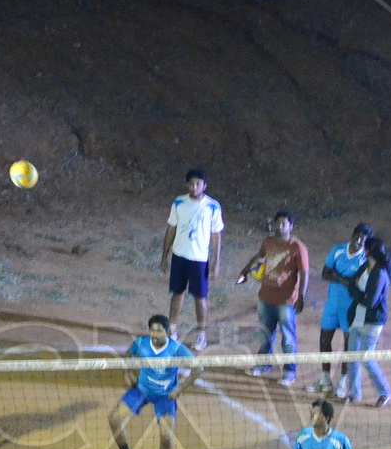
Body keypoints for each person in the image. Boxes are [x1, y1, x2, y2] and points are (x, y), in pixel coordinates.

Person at [107, 314, 201, 449]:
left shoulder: (176, 349)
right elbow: (129, 356)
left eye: (159, 331)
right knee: (114, 418)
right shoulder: (142, 343)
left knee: (166, 436)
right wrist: (127, 375)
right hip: (142, 390)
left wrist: (180, 389)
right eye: (152, 330)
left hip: (165, 396)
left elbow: (198, 369)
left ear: (168, 331)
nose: (155, 334)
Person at [238, 211, 309, 387]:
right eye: (278, 223)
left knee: (288, 337)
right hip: (266, 297)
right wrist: (245, 270)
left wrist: (301, 296)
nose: (280, 226)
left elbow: (304, 273)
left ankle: (289, 371)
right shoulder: (268, 241)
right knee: (265, 333)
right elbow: (259, 256)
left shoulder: (297, 248)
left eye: (284, 224)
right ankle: (263, 364)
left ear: (291, 226)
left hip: (286, 301)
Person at [159, 169, 223, 350]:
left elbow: (216, 235)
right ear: (187, 185)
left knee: (199, 298)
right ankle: (172, 330)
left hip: (199, 259)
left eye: (198, 184)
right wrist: (165, 255)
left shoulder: (212, 206)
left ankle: (201, 334)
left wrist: (216, 262)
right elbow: (171, 228)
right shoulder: (179, 203)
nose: (194, 187)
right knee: (177, 293)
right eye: (191, 183)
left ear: (204, 186)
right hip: (179, 256)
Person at [309, 224, 372, 397]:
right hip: (332, 306)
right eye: (358, 236)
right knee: (324, 341)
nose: (359, 241)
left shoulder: (364, 261)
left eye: (363, 240)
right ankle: (325, 380)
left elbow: (356, 283)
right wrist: (342, 279)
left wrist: (337, 275)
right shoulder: (337, 250)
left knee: (347, 346)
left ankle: (343, 383)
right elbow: (324, 273)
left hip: (350, 310)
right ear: (352, 235)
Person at [342, 238, 391, 407]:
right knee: (352, 357)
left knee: (366, 357)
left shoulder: (380, 274)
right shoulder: (365, 267)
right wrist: (359, 293)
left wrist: (358, 293)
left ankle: (384, 392)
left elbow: (371, 302)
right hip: (358, 318)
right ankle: (355, 393)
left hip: (372, 322)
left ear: (367, 252)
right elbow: (351, 284)